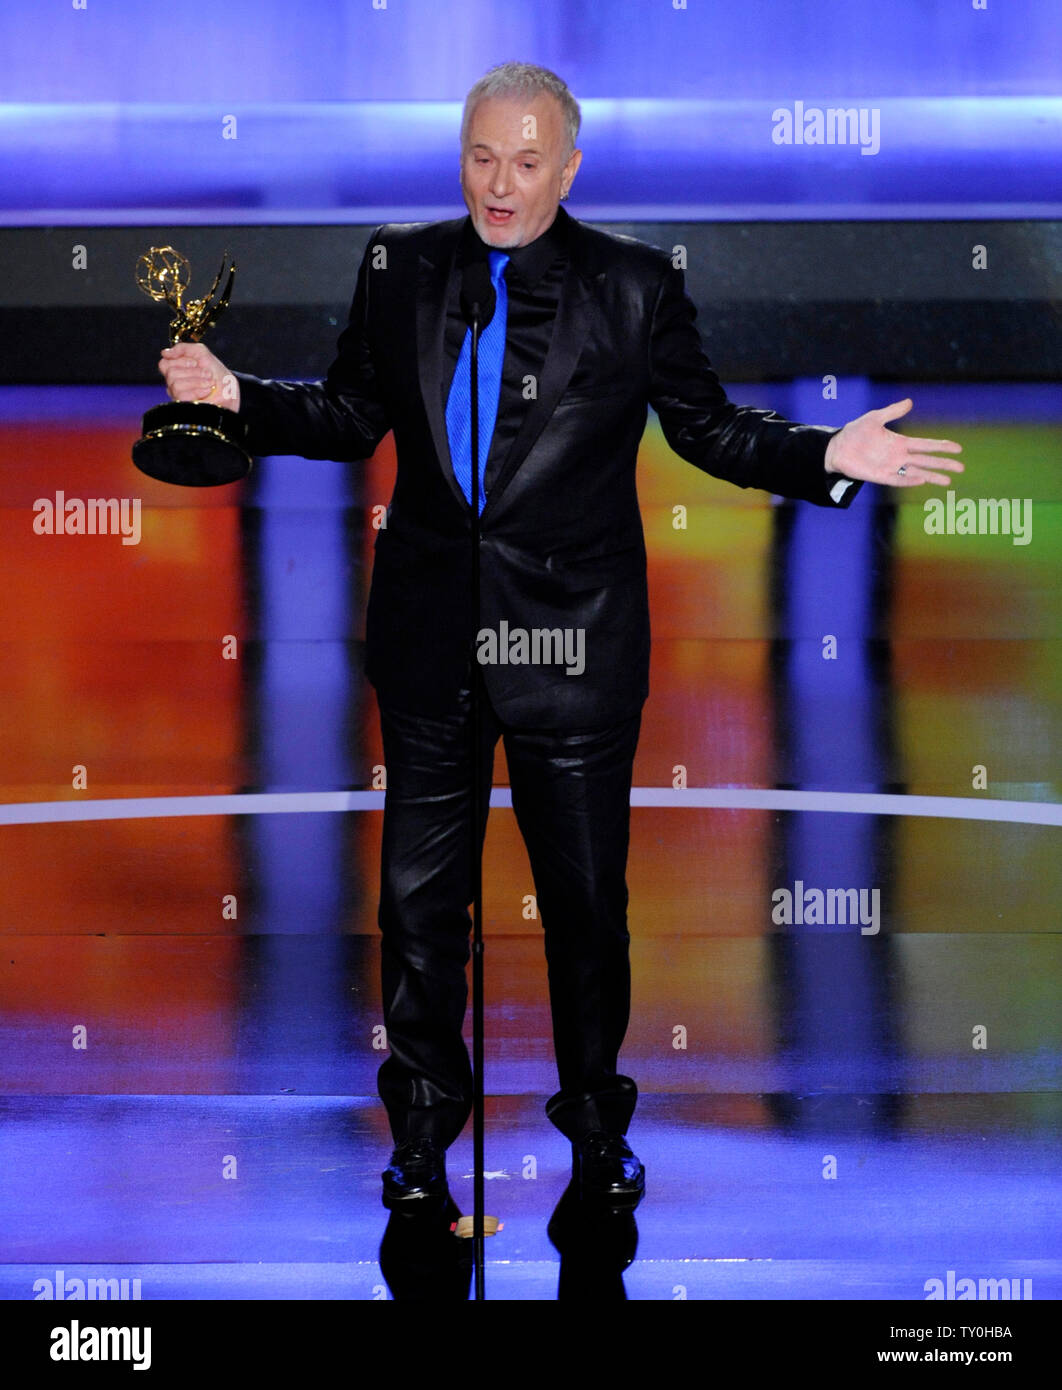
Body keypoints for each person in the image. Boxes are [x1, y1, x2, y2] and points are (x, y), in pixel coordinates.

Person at [158, 62, 963, 1214]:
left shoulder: (631, 285)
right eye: (483, 157)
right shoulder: (400, 262)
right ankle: (422, 1134)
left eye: (528, 162)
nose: (501, 183)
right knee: (419, 912)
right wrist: (240, 395)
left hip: (572, 648)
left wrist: (825, 455)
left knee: (585, 910)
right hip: (432, 642)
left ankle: (596, 1125)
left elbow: (709, 426)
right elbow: (348, 414)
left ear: (570, 167)